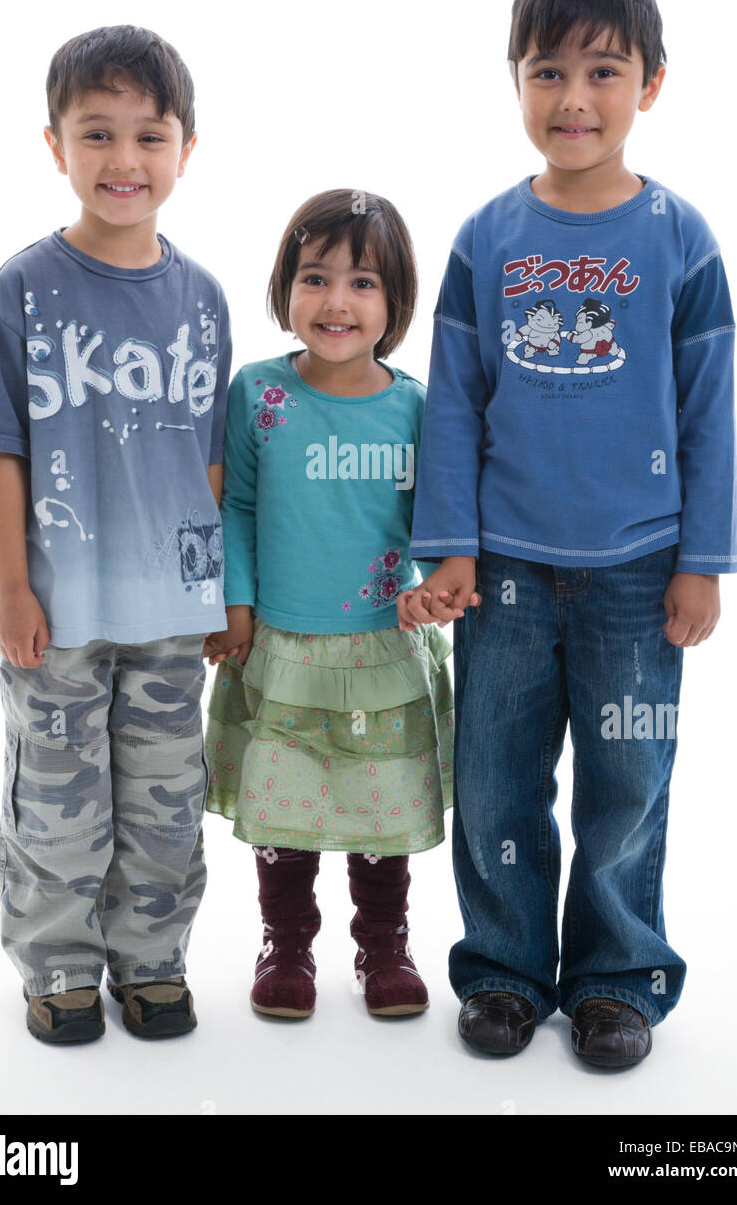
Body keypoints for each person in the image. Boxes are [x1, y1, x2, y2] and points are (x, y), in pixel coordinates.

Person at [400, 0, 737, 1069]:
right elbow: (450, 409)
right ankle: (501, 970)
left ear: (650, 83)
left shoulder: (678, 240)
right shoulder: (483, 242)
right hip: (498, 573)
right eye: (547, 71)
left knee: (625, 781)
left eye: (603, 69)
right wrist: (445, 545)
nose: (573, 99)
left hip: (640, 571)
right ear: (515, 81)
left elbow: (706, 411)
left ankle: (613, 978)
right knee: (494, 775)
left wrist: (702, 558)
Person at [0, 25, 231, 1044]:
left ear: (185, 149)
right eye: (96, 133)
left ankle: (150, 961)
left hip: (167, 613)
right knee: (60, 806)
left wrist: (216, 593)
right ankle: (59, 969)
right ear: (55, 145)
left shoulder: (201, 298)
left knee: (163, 801)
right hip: (56, 612)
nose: (123, 161)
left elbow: (209, 463)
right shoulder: (25, 288)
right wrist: (14, 589)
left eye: (149, 136)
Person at [203, 189, 457, 1019]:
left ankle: (384, 944)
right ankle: (288, 944)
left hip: (381, 649)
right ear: (285, 290)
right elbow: (235, 503)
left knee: (381, 808)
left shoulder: (415, 407)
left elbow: (440, 516)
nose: (337, 302)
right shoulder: (258, 393)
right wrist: (236, 603)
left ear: (396, 303)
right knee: (288, 807)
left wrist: (430, 582)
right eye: (315, 278)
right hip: (282, 645)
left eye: (364, 283)